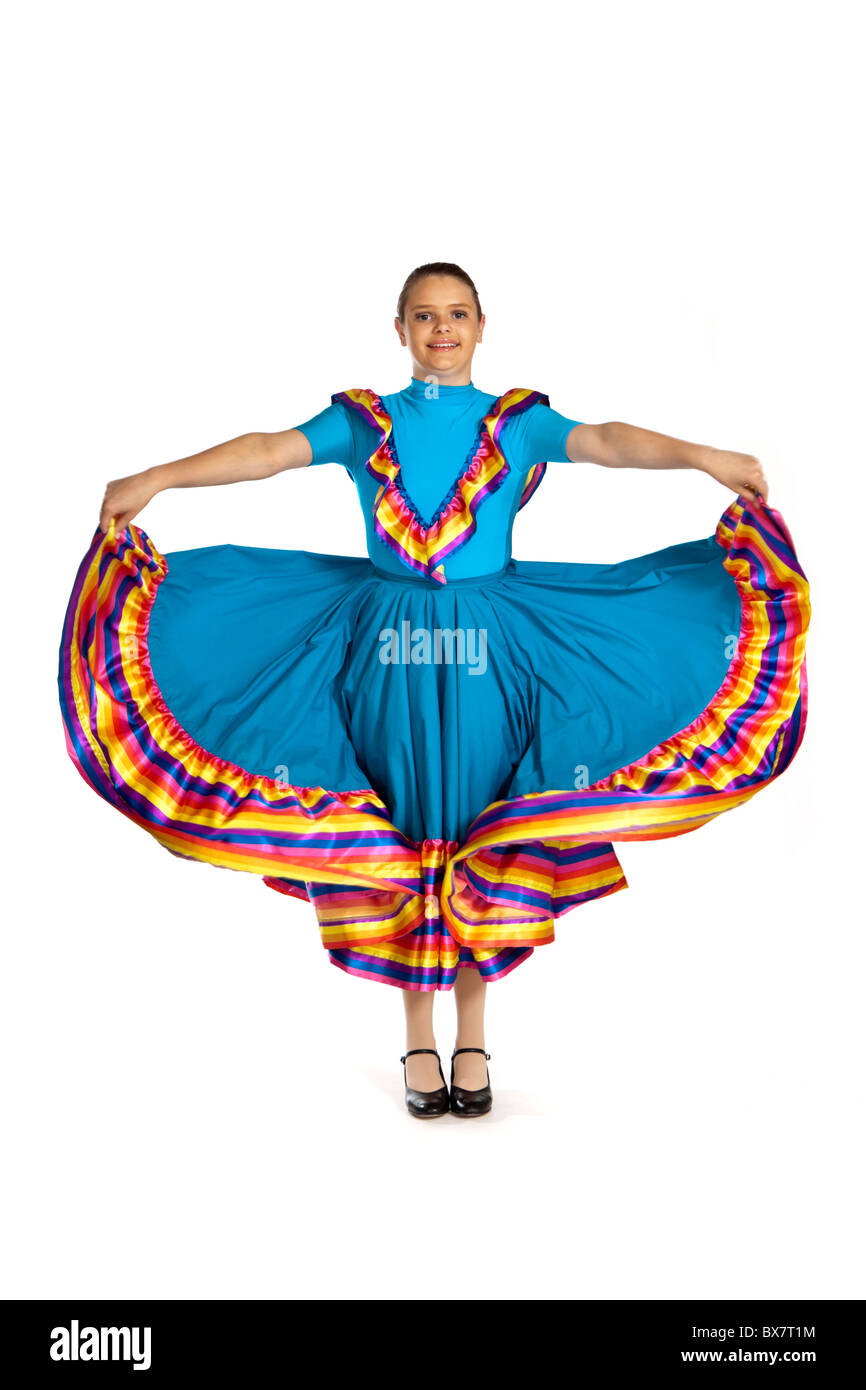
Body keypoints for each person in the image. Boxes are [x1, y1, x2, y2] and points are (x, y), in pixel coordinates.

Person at [58, 261, 810, 1119]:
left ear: (482, 326)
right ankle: (419, 1035)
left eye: (456, 314)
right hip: (385, 649)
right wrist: (158, 476)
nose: (441, 329)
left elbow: (605, 440)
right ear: (400, 330)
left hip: (494, 651)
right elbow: (266, 451)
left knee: (475, 821)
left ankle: (474, 1034)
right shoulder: (362, 423)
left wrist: (704, 458)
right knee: (413, 823)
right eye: (424, 316)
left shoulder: (515, 423)